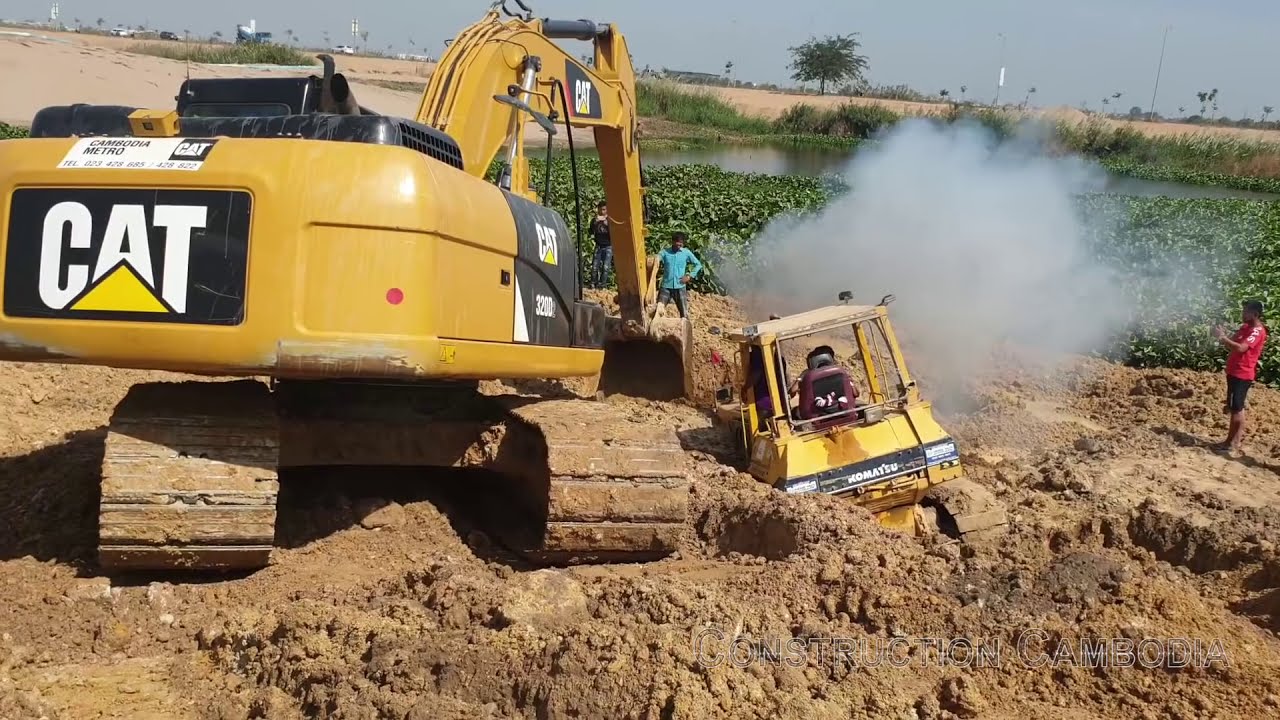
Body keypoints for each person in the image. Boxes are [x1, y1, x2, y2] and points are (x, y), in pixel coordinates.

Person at [1213, 299, 1268, 455]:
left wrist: (1222, 337)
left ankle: (1229, 443)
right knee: (1238, 408)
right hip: (1235, 372)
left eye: (1246, 312)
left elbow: (1241, 348)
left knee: (1236, 408)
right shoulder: (1246, 327)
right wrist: (1223, 335)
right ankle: (1234, 441)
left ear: (1255, 314)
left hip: (1241, 374)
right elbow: (1234, 343)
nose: (1242, 314)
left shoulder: (1256, 331)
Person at [657, 231, 702, 319]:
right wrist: (655, 259)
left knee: (684, 313)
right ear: (673, 242)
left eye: (681, 243)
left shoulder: (686, 253)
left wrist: (689, 276)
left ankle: (685, 330)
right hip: (666, 286)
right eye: (677, 243)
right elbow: (657, 258)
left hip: (680, 286)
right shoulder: (665, 252)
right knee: (658, 311)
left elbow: (698, 264)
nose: (679, 245)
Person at [588, 201, 612, 289]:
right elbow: (590, 231)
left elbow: (614, 233)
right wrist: (596, 222)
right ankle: (593, 283)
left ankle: (603, 285)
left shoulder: (610, 220)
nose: (602, 212)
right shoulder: (595, 220)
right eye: (600, 209)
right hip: (598, 245)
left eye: (604, 210)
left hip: (608, 246)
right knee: (594, 267)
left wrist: (607, 224)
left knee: (605, 267)